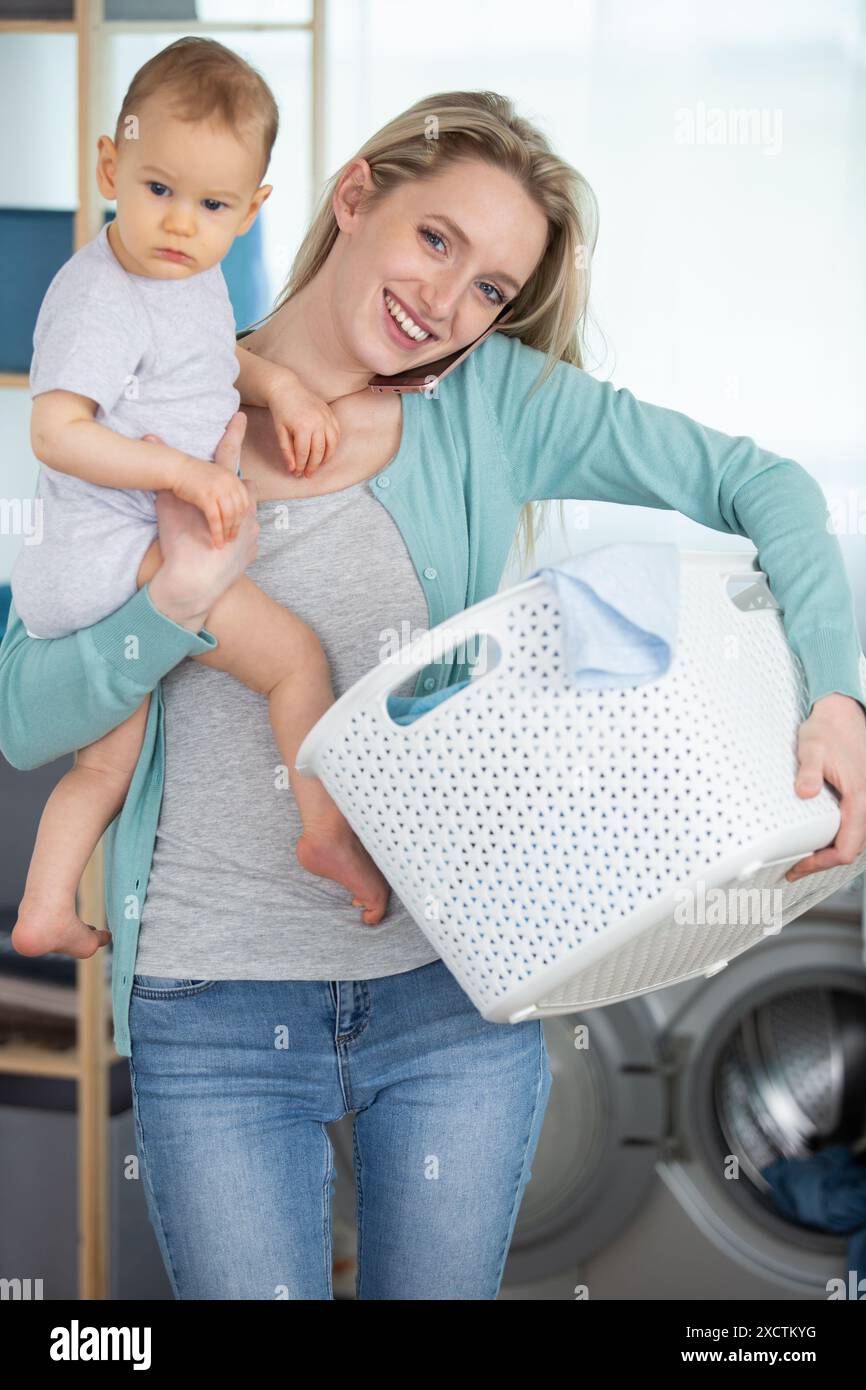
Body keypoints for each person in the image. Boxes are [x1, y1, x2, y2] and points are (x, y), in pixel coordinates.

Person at [2, 73, 866, 1299]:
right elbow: (24, 711)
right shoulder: (146, 400)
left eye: (490, 288)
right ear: (355, 195)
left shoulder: (493, 404)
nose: (446, 305)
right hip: (213, 1009)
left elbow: (767, 487)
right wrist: (171, 609)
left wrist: (834, 700)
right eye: (435, 239)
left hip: (449, 1001)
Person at [10, 37, 393, 970]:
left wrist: (282, 391)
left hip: (114, 553)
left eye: (212, 205)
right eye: (157, 190)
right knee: (296, 658)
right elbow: (55, 432)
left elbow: (211, 363)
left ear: (252, 211)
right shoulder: (103, 298)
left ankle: (46, 907)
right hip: (112, 553)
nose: (179, 222)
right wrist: (184, 477)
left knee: (107, 762)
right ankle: (325, 829)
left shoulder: (185, 275)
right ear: (111, 165)